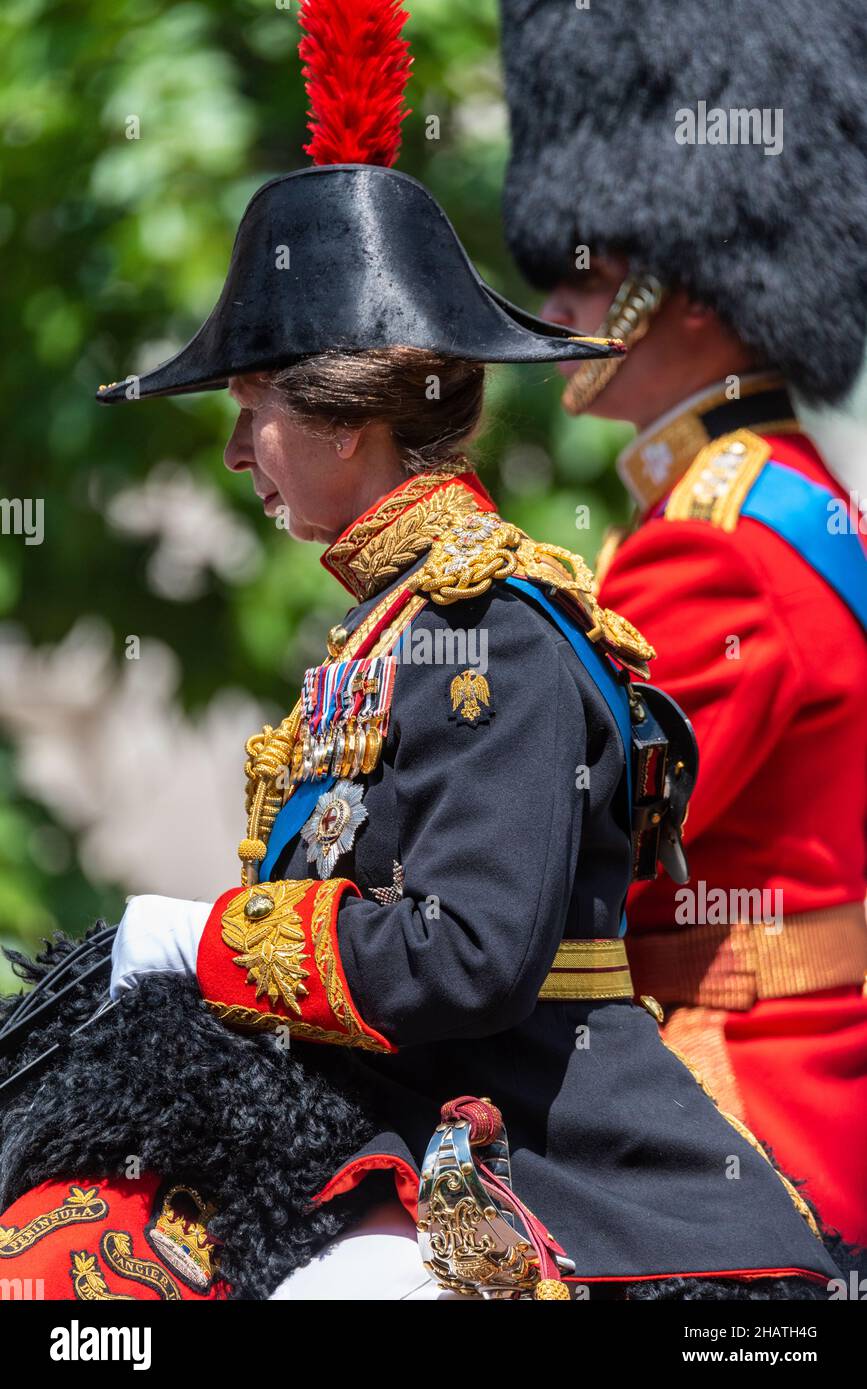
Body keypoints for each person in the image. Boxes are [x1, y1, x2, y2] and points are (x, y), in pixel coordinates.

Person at [0, 0, 843, 1301]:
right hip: (421, 1102)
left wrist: (207, 937)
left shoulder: (490, 622)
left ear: (348, 420)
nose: (235, 454)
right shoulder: (390, 625)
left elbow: (481, 936)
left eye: (255, 409)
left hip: (559, 1135)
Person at [498, 0, 867, 1246]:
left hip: (733, 1097)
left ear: (694, 289)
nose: (557, 302)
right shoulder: (790, 501)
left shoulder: (714, 548)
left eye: (590, 270)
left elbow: (557, 854)